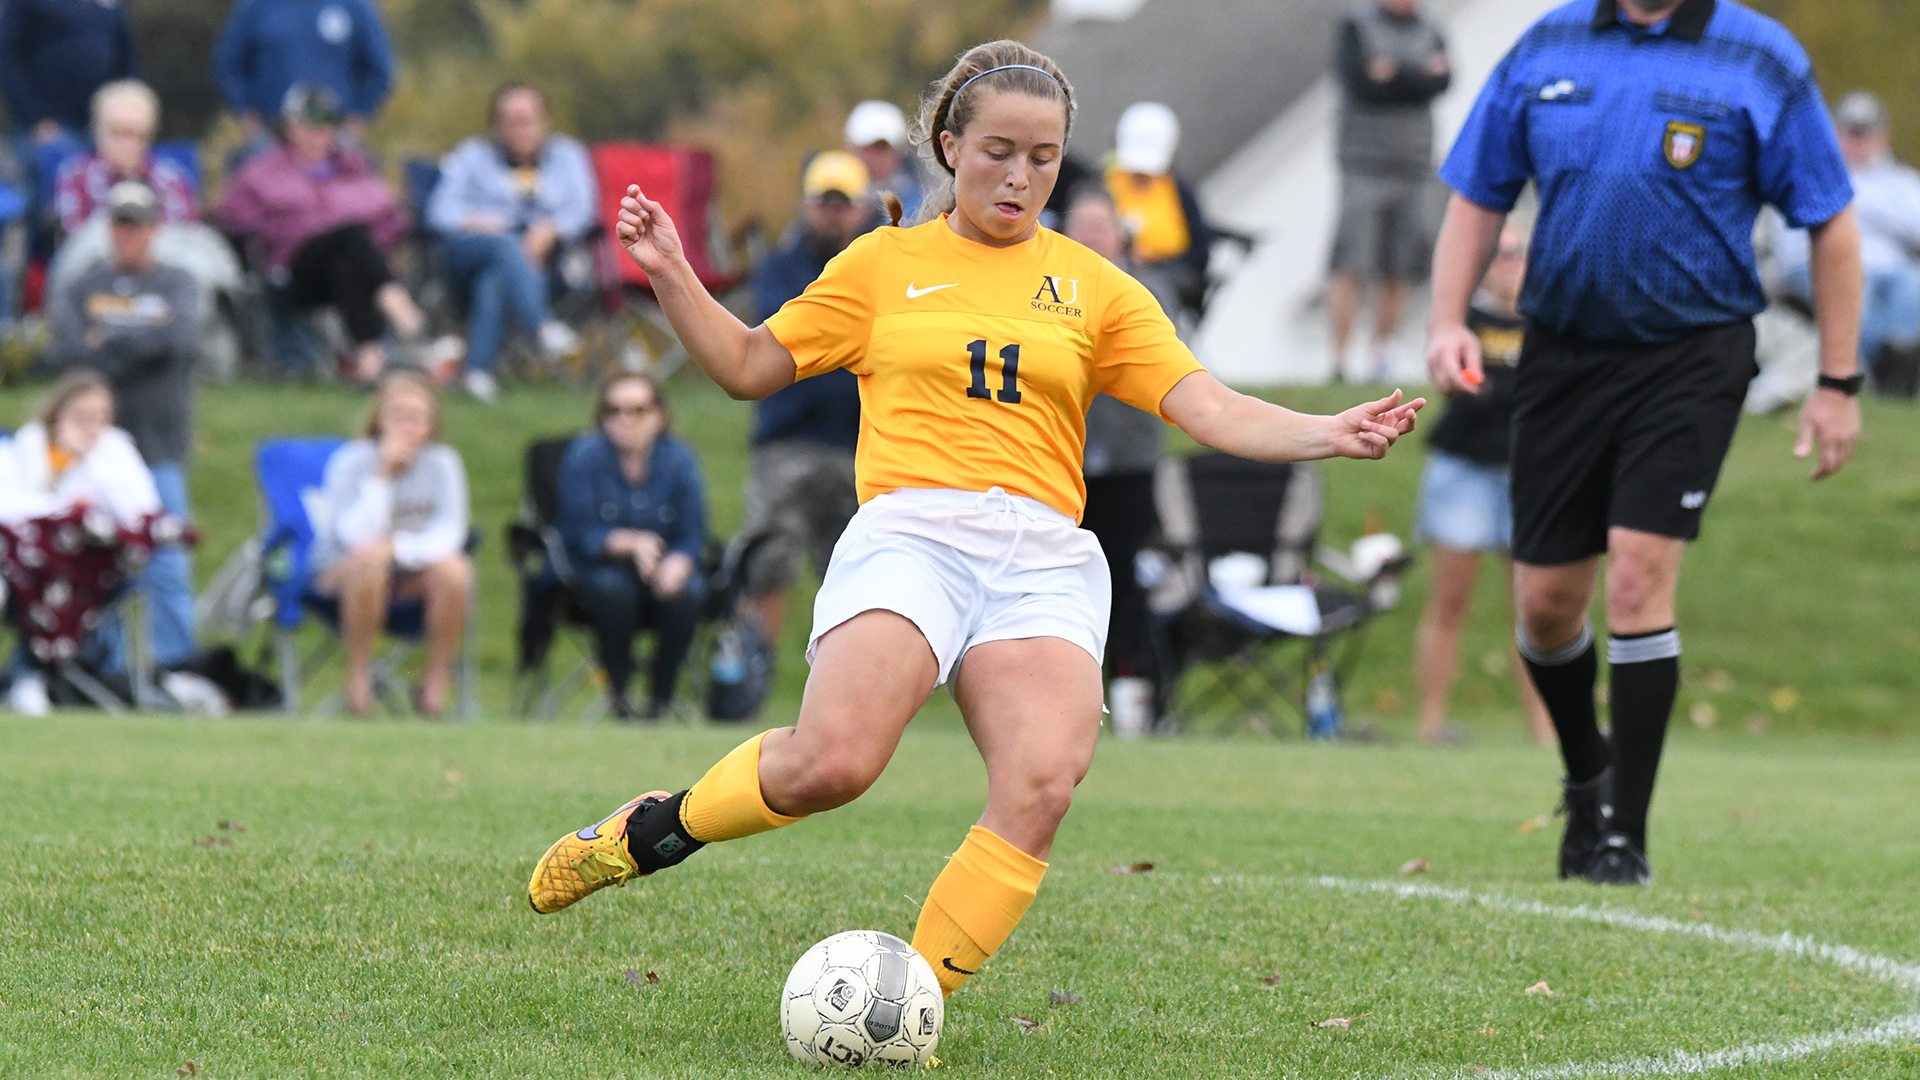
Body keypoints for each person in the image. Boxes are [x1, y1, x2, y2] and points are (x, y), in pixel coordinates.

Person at [525, 40, 1423, 1006]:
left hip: (1041, 555)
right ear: (951, 147)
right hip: (913, 534)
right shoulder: (882, 263)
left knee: (1042, 786)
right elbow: (748, 368)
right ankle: (656, 829)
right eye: (999, 150)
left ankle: (905, 1005)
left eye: (1044, 157)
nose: (1020, 175)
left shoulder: (1098, 286)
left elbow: (1206, 404)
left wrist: (1326, 431)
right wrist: (668, 270)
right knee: (832, 765)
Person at [1429, 0, 1861, 887]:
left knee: (1636, 577)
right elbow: (1479, 192)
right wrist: (1445, 321)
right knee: (1545, 606)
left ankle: (1625, 830)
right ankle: (1587, 777)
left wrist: (1837, 381)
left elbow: (1831, 220)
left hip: (1692, 358)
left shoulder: (1758, 55)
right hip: (1562, 355)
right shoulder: (1549, 42)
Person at [45, 181, 201, 672]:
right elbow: (67, 352)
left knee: (167, 560)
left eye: (138, 225)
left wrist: (105, 345)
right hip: (89, 453)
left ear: (155, 228)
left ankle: (175, 669)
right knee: (89, 561)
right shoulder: (82, 286)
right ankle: (101, 669)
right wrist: (138, 342)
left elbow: (176, 343)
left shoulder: (179, 283)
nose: (128, 235)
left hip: (156, 444)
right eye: (120, 225)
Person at [1410, 225, 1551, 747]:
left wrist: (1501, 392)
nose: (1509, 263)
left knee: (1538, 610)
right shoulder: (1460, 319)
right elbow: (1467, 391)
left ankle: (1544, 730)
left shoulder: (1549, 318)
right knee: (1450, 601)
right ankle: (1430, 722)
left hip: (1531, 475)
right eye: (1499, 253)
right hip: (1466, 469)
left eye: (1518, 253)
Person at [1062, 183, 1184, 728]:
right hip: (1065, 468)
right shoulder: (1046, 291)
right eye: (1080, 225)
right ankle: (1067, 700)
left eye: (1100, 225)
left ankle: (1135, 695)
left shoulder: (1145, 290)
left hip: (1130, 467)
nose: (1090, 235)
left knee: (1129, 586)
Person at [740, 151, 870, 649]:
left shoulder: (880, 268)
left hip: (861, 444)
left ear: (861, 209)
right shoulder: (778, 269)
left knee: (856, 576)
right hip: (787, 441)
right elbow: (787, 342)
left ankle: (849, 687)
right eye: (824, 202)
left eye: (843, 203)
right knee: (767, 561)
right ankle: (750, 675)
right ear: (806, 205)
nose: (833, 214)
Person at [218, 85, 421, 383]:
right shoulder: (261, 173)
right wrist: (273, 230)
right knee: (350, 236)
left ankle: (370, 360)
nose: (318, 134)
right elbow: (231, 217)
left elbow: (393, 220)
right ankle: (407, 318)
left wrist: (382, 245)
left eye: (325, 126)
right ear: (289, 128)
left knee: (347, 259)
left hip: (350, 270)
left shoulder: (356, 171)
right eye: (308, 125)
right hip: (292, 270)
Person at [424, 82, 597, 403]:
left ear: (545, 121)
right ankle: (543, 327)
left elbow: (583, 209)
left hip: (544, 265)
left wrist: (552, 229)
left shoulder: (568, 156)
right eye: (509, 121)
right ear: (496, 125)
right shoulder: (472, 156)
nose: (519, 129)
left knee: (496, 278)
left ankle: (477, 373)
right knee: (504, 244)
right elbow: (440, 211)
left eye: (526, 119)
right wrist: (478, 221)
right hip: (469, 253)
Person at [311, 371, 471, 718]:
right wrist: (382, 475)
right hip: (347, 575)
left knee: (455, 572)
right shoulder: (351, 461)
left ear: (431, 425)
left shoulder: (444, 464)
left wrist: (396, 548)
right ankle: (357, 677)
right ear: (379, 420)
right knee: (367, 562)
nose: (406, 427)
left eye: (416, 418)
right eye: (397, 416)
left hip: (416, 576)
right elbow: (348, 535)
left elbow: (450, 532)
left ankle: (435, 680)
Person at [0, 370, 160, 716]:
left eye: (100, 416)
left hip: (98, 570)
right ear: (59, 413)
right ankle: (30, 675)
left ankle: (38, 676)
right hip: (31, 570)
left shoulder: (115, 448)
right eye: (82, 416)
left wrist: (90, 462)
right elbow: (17, 510)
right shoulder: (30, 445)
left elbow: (142, 509)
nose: (92, 426)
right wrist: (63, 467)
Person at [553, 373, 707, 721]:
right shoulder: (584, 457)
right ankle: (619, 693)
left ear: (659, 415)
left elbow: (693, 532)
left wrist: (679, 562)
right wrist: (628, 542)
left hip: (662, 572)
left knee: (689, 592)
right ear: (602, 416)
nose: (626, 420)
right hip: (599, 572)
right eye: (614, 410)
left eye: (638, 410)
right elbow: (576, 531)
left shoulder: (679, 460)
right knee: (612, 590)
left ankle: (660, 697)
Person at [1328, 0, 1450, 382]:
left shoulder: (1431, 29)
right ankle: (1340, 360)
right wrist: (1415, 75)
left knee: (1401, 264)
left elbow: (1441, 81)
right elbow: (1361, 83)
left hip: (1414, 164)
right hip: (1365, 163)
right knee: (1352, 262)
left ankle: (1382, 354)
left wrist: (1393, 73)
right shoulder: (1356, 27)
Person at [1772, 91, 1920, 388]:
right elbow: (1787, 242)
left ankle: (1896, 358)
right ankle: (1875, 373)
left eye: (1866, 133)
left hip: (1892, 268)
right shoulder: (1808, 173)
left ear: (1883, 137)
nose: (1858, 140)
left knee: (1912, 287)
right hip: (1824, 264)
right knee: (1853, 298)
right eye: (1851, 132)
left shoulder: (1902, 182)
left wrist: (1867, 208)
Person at [214, 0, 394, 160]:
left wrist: (356, 120)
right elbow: (228, 66)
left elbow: (380, 70)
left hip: (334, 141)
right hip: (272, 140)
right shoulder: (256, 7)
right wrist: (248, 117)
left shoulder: (355, 6)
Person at [0, 0, 137, 195]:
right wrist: (36, 118)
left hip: (102, 127)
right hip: (50, 129)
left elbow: (125, 55)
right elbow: (8, 56)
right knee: (51, 204)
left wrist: (126, 111)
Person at [1103, 102, 1212, 319]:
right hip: (1119, 272)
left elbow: (1201, 247)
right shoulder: (1105, 184)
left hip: (1172, 273)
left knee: (1150, 290)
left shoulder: (1178, 188)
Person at [53, 81, 196, 237]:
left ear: (149, 136)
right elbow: (74, 239)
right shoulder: (76, 176)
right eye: (116, 132)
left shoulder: (170, 179)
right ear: (96, 132)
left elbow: (187, 239)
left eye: (134, 134)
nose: (125, 144)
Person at [845, 100, 925, 225]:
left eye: (882, 149)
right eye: (867, 148)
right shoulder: (831, 196)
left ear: (899, 152)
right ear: (851, 149)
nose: (875, 157)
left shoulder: (919, 207)